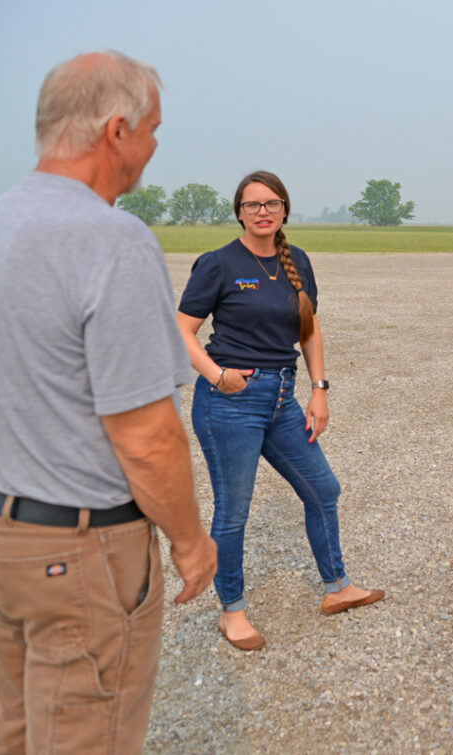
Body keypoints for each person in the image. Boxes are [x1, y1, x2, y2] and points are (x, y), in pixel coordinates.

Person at [0, 51, 216, 753]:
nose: (152, 149)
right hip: (79, 551)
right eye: (152, 131)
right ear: (117, 131)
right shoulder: (112, 240)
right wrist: (190, 540)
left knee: (15, 726)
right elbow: (146, 436)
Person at [176, 170, 384, 651]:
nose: (262, 211)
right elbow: (182, 329)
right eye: (252, 205)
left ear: (284, 209)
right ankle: (233, 612)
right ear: (240, 213)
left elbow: (308, 331)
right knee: (234, 511)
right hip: (230, 401)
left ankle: (337, 588)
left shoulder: (298, 262)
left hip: (282, 398)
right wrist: (216, 375)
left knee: (323, 489)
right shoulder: (219, 264)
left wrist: (319, 390)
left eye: (271, 203)